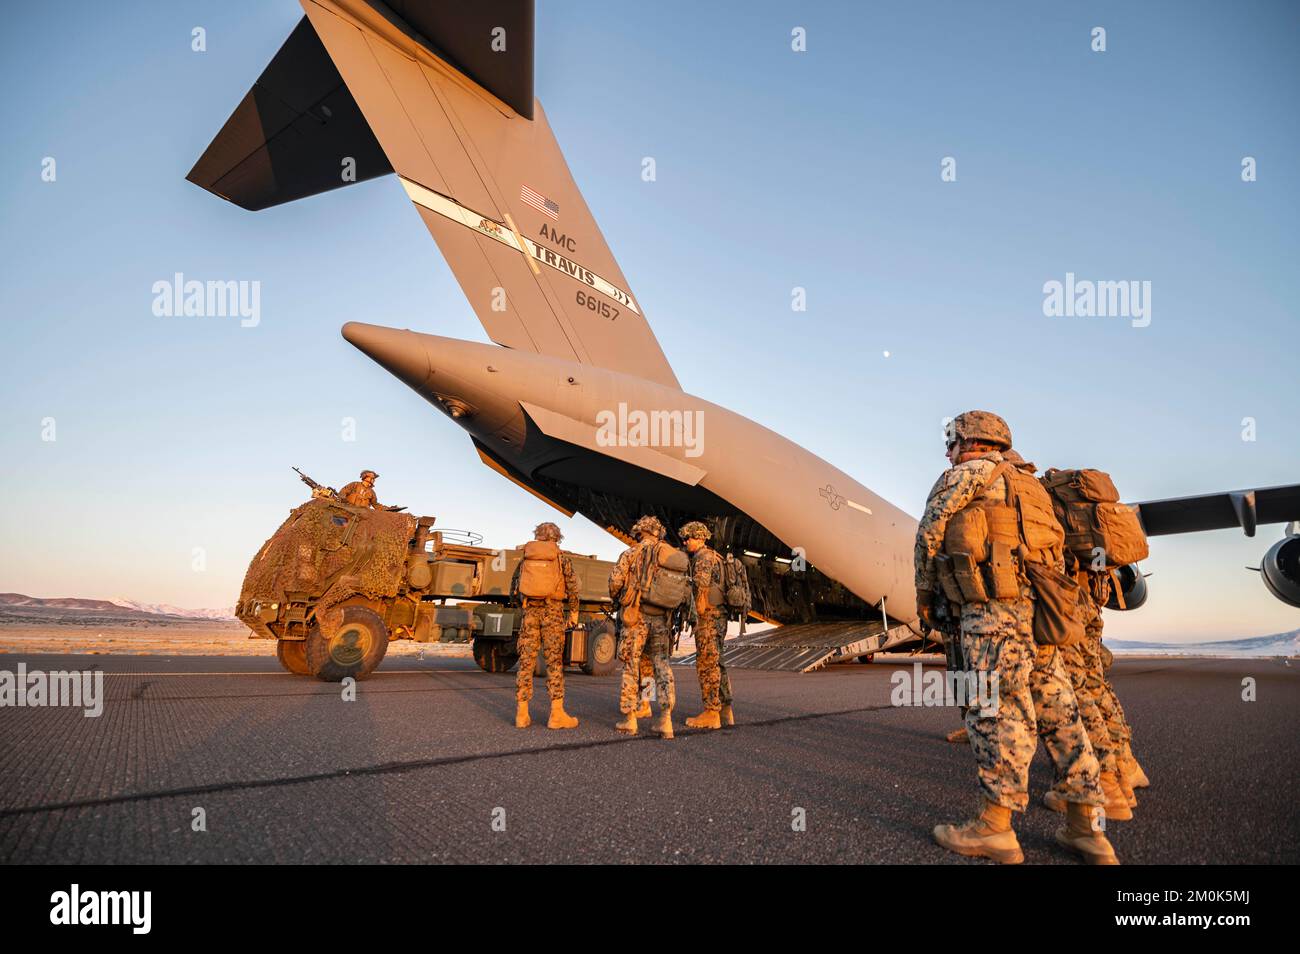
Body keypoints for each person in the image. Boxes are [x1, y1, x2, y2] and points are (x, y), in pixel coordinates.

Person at [914, 410, 1118, 865]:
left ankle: (995, 828)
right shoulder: (1032, 488)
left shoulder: (967, 475)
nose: (949, 450)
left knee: (998, 710)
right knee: (1061, 710)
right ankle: (1087, 827)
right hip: (1040, 617)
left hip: (992, 614)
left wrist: (926, 596)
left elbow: (929, 535)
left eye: (953, 440)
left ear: (972, 441)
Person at [608, 516, 677, 738]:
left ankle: (630, 718)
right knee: (660, 666)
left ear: (640, 532)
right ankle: (663, 718)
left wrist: (618, 599)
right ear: (658, 533)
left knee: (631, 664)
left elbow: (615, 582)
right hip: (661, 619)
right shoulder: (668, 554)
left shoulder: (631, 553)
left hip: (635, 616)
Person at [510, 522, 580, 730]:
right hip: (553, 613)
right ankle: (556, 715)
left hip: (530, 612)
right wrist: (574, 612)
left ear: (537, 536)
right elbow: (573, 587)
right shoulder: (561, 558)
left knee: (526, 663)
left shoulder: (526, 558)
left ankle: (522, 714)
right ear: (557, 538)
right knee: (554, 663)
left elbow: (513, 589)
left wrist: (523, 606)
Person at [679, 521, 735, 730]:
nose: (686, 542)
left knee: (706, 664)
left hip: (708, 618)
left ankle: (711, 712)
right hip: (719, 616)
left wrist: (695, 617)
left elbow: (700, 588)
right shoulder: (717, 556)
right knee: (718, 662)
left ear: (700, 538)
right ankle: (726, 710)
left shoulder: (703, 558)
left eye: (689, 538)